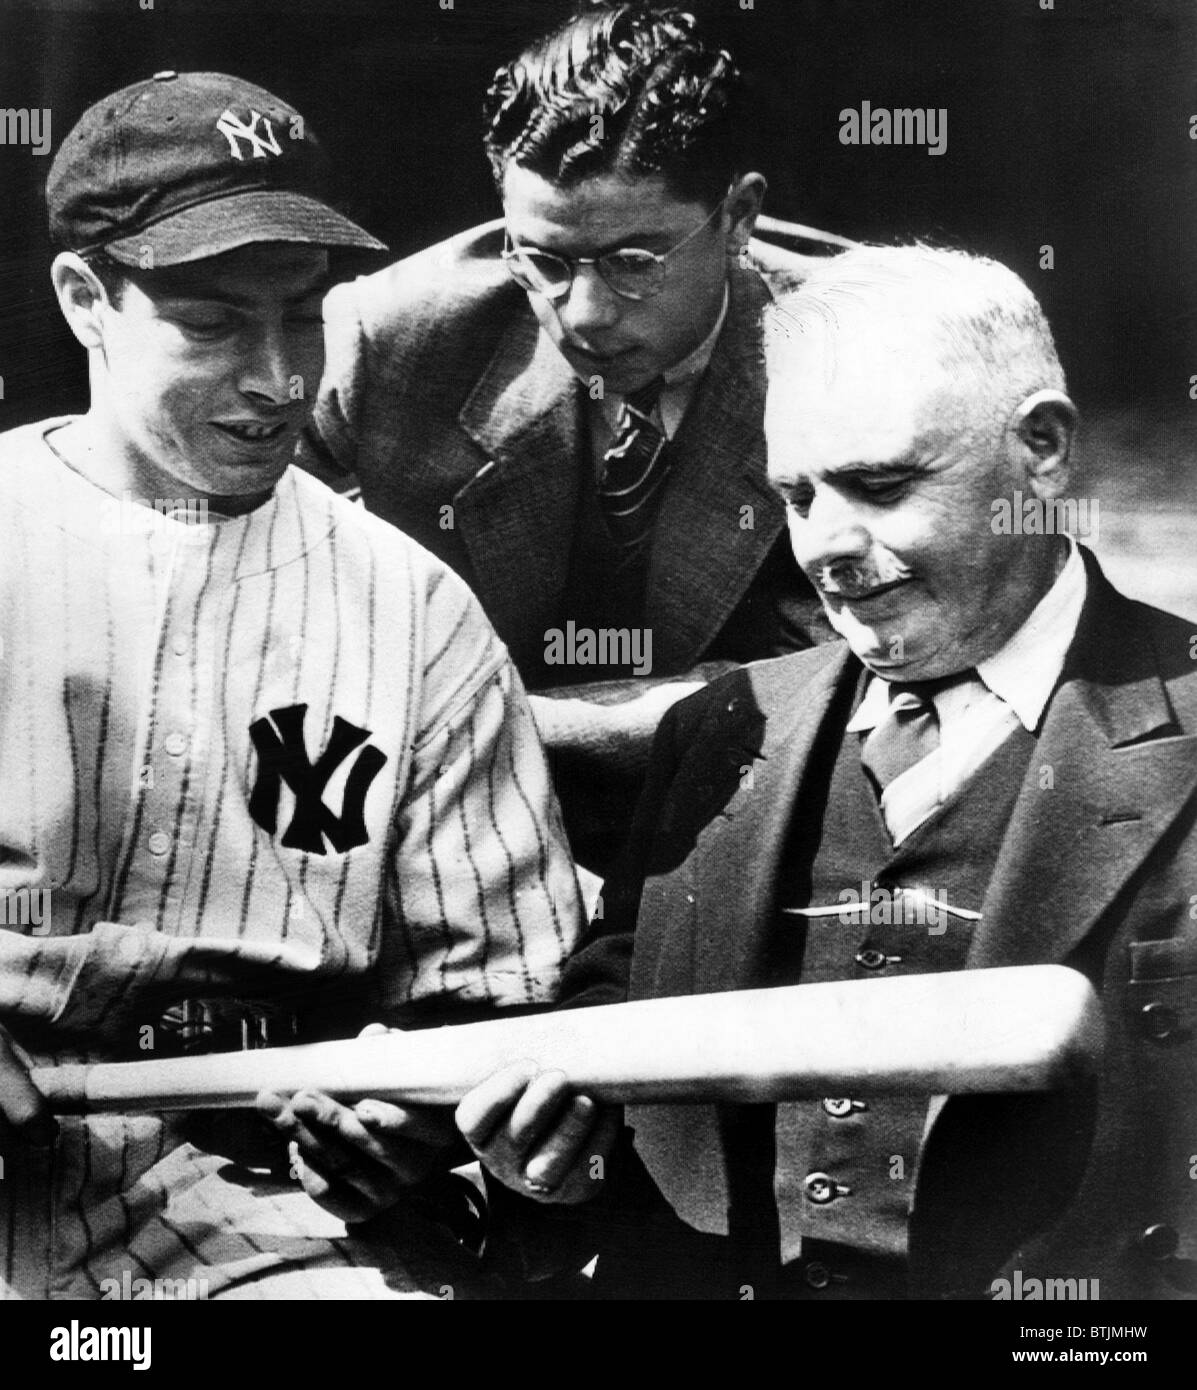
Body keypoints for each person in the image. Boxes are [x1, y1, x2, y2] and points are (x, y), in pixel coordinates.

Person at [458, 244, 1197, 1300]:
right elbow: (613, 1102)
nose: (828, 547)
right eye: (797, 496)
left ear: (1041, 450)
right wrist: (550, 1169)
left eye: (881, 485)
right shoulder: (724, 731)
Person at [0, 70, 582, 1301]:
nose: (278, 378)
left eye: (303, 315)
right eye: (212, 326)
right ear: (84, 299)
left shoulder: (410, 610)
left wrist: (424, 1132)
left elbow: (496, 1000)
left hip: (253, 1199)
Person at [298, 3, 842, 869]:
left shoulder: (858, 339)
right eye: (543, 260)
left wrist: (487, 717)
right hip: (445, 827)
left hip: (761, 817)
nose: (582, 315)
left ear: (738, 214)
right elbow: (262, 621)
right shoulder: (386, 341)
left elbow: (868, 679)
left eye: (634, 263)